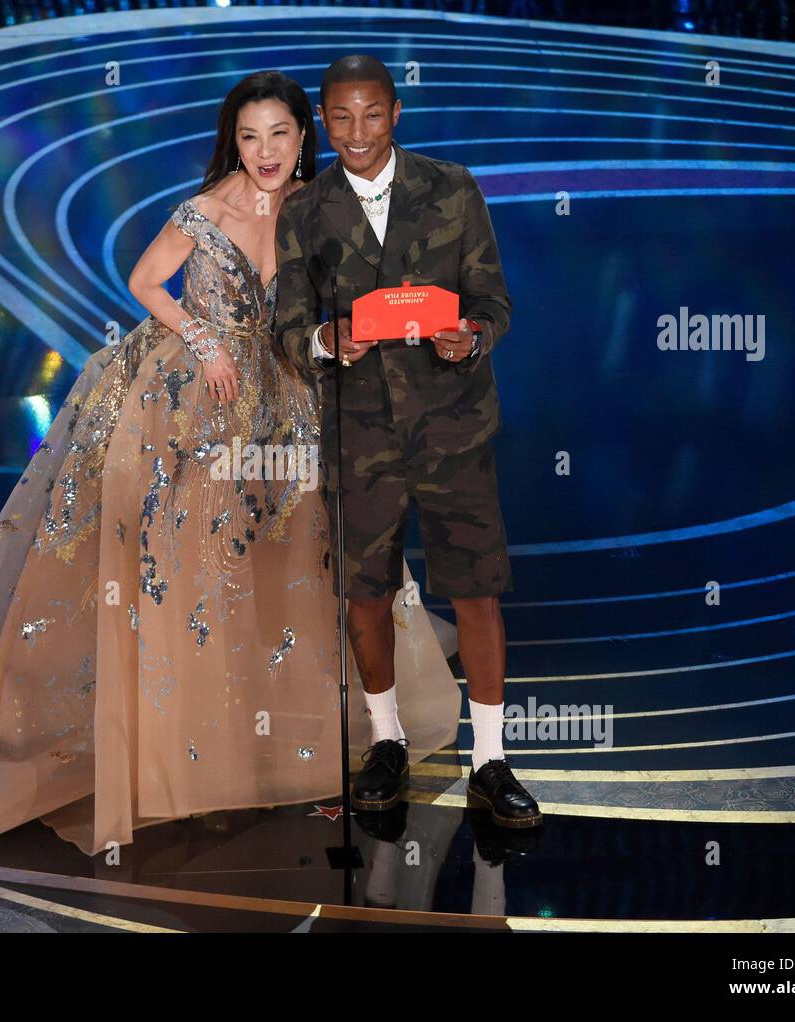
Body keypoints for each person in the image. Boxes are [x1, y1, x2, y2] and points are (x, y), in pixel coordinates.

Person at [0, 71, 460, 862]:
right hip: (200, 389)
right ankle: (180, 744)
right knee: (191, 563)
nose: (265, 152)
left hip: (292, 382)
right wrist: (205, 340)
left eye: (281, 135)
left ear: (305, 137)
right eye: (251, 136)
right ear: (236, 139)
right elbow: (145, 283)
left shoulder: (315, 204)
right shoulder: (207, 207)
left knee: (295, 550)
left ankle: (287, 712)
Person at [273, 55, 542, 827]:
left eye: (372, 115)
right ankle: (385, 742)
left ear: (396, 113)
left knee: (476, 589)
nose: (357, 132)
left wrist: (473, 337)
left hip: (455, 426)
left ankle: (492, 759)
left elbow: (495, 298)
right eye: (341, 118)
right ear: (325, 122)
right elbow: (289, 326)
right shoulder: (305, 211)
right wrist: (327, 341)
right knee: (365, 591)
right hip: (357, 433)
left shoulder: (452, 188)